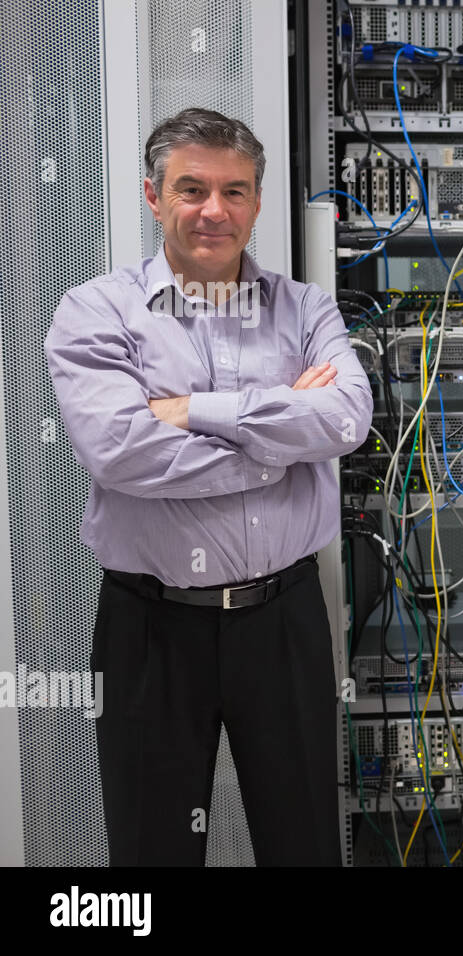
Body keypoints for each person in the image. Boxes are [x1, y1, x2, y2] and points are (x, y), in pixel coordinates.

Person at [44, 107, 372, 865]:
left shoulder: (306, 307)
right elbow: (119, 451)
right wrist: (282, 440)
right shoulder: (97, 312)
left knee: (305, 845)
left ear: (258, 202)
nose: (214, 211)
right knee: (153, 847)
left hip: (284, 618)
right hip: (153, 627)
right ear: (154, 197)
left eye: (236, 191)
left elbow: (347, 420)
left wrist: (197, 412)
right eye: (192, 189)